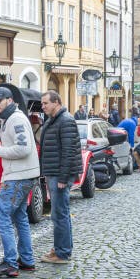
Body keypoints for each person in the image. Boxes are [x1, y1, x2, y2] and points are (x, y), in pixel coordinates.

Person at [0, 87, 41, 278]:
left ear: (9, 100)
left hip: (18, 176)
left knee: (2, 219)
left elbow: (23, 148)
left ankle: (10, 263)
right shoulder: (10, 119)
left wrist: (0, 151)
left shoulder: (15, 119)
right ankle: (26, 260)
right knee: (20, 217)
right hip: (23, 174)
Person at [39, 90, 82, 264]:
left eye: (45, 103)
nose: (43, 106)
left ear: (56, 102)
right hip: (54, 172)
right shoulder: (54, 120)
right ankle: (61, 248)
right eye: (42, 104)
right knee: (59, 213)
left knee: (60, 213)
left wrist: (63, 178)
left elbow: (69, 152)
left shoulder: (65, 120)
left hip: (60, 174)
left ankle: (62, 253)